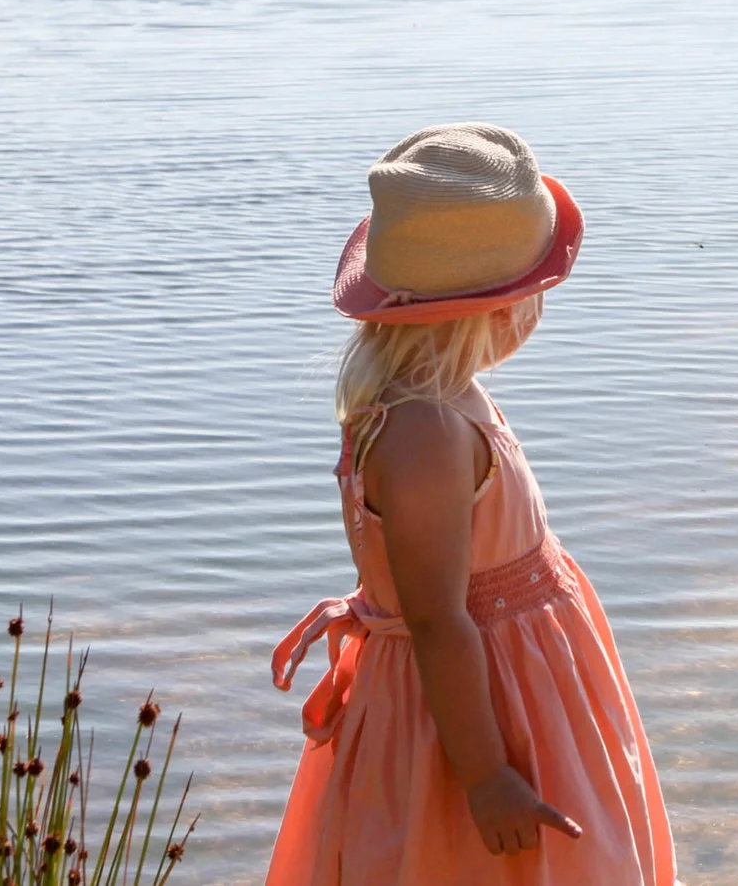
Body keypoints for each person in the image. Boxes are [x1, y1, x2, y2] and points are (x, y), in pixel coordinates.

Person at [268, 125, 674, 884]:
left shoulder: (445, 400)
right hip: (470, 718)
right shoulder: (423, 432)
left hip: (519, 692)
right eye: (536, 292)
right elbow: (436, 619)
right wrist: (486, 775)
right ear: (489, 309)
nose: (541, 310)